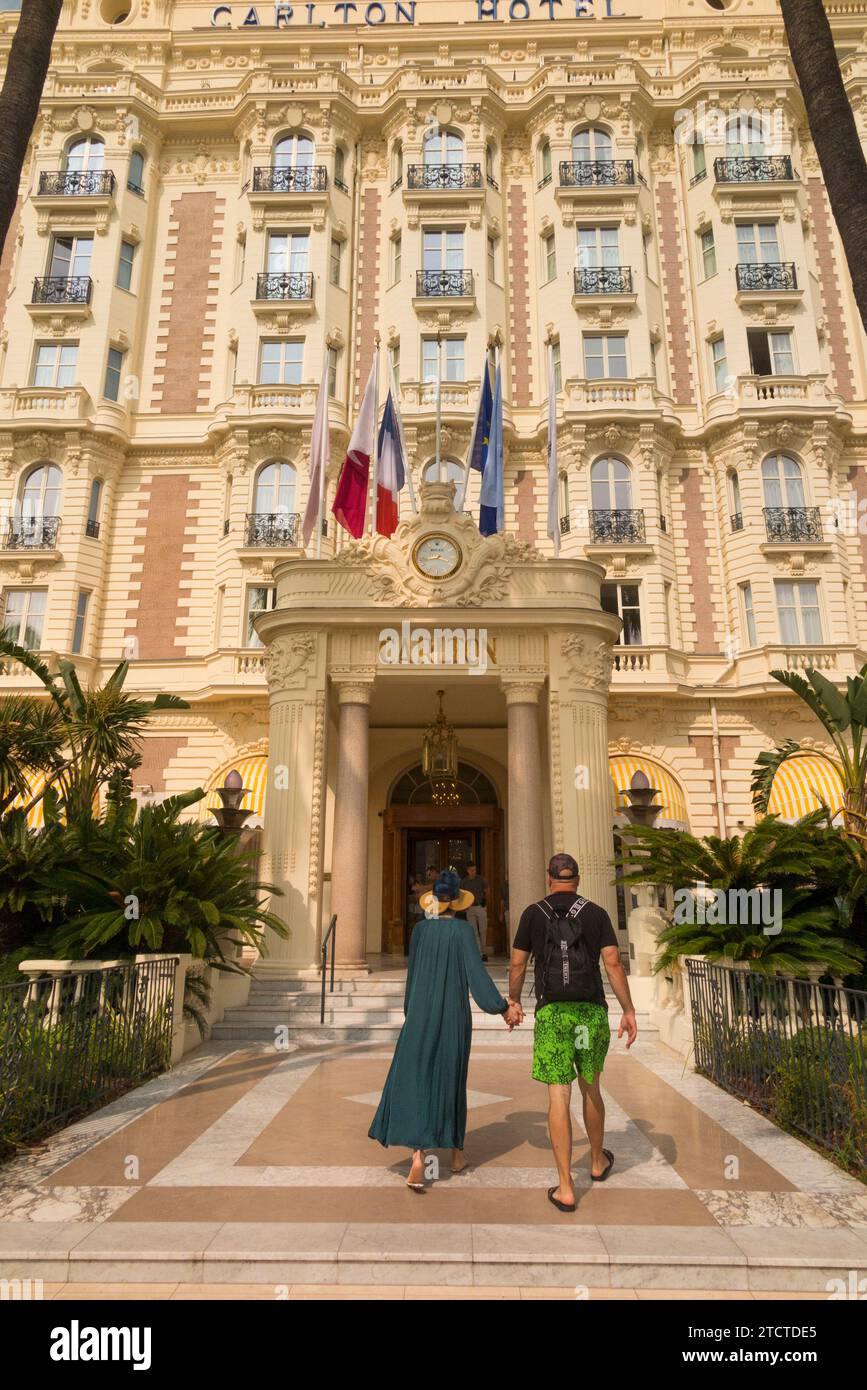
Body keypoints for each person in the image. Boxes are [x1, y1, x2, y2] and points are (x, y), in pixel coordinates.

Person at [369, 868, 522, 1190]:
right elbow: (477, 980)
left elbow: (412, 979)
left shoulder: (421, 931)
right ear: (458, 902)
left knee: (419, 1078)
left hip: (420, 1014)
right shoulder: (463, 933)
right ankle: (455, 1155)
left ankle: (417, 1156)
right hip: (452, 1014)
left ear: (434, 900)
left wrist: (412, 1012)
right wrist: (503, 1007)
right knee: (451, 1078)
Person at [507, 853, 637, 1213]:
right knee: (590, 1086)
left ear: (549, 878)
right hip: (588, 1014)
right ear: (577, 880)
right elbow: (612, 963)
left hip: (553, 1015)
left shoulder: (534, 913)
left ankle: (565, 1186)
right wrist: (628, 1009)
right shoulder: (596, 913)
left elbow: (518, 963)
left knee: (558, 1096)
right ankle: (596, 1161)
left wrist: (513, 1001)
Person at [460, 861, 489, 960]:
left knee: (483, 930)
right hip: (470, 908)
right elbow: (461, 895)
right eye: (472, 870)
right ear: (468, 871)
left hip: (480, 906)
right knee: (474, 931)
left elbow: (487, 890)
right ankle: (480, 953)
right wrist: (464, 907)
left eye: (475, 870)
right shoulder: (464, 882)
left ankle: (484, 952)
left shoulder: (481, 879)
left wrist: (485, 902)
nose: (474, 872)